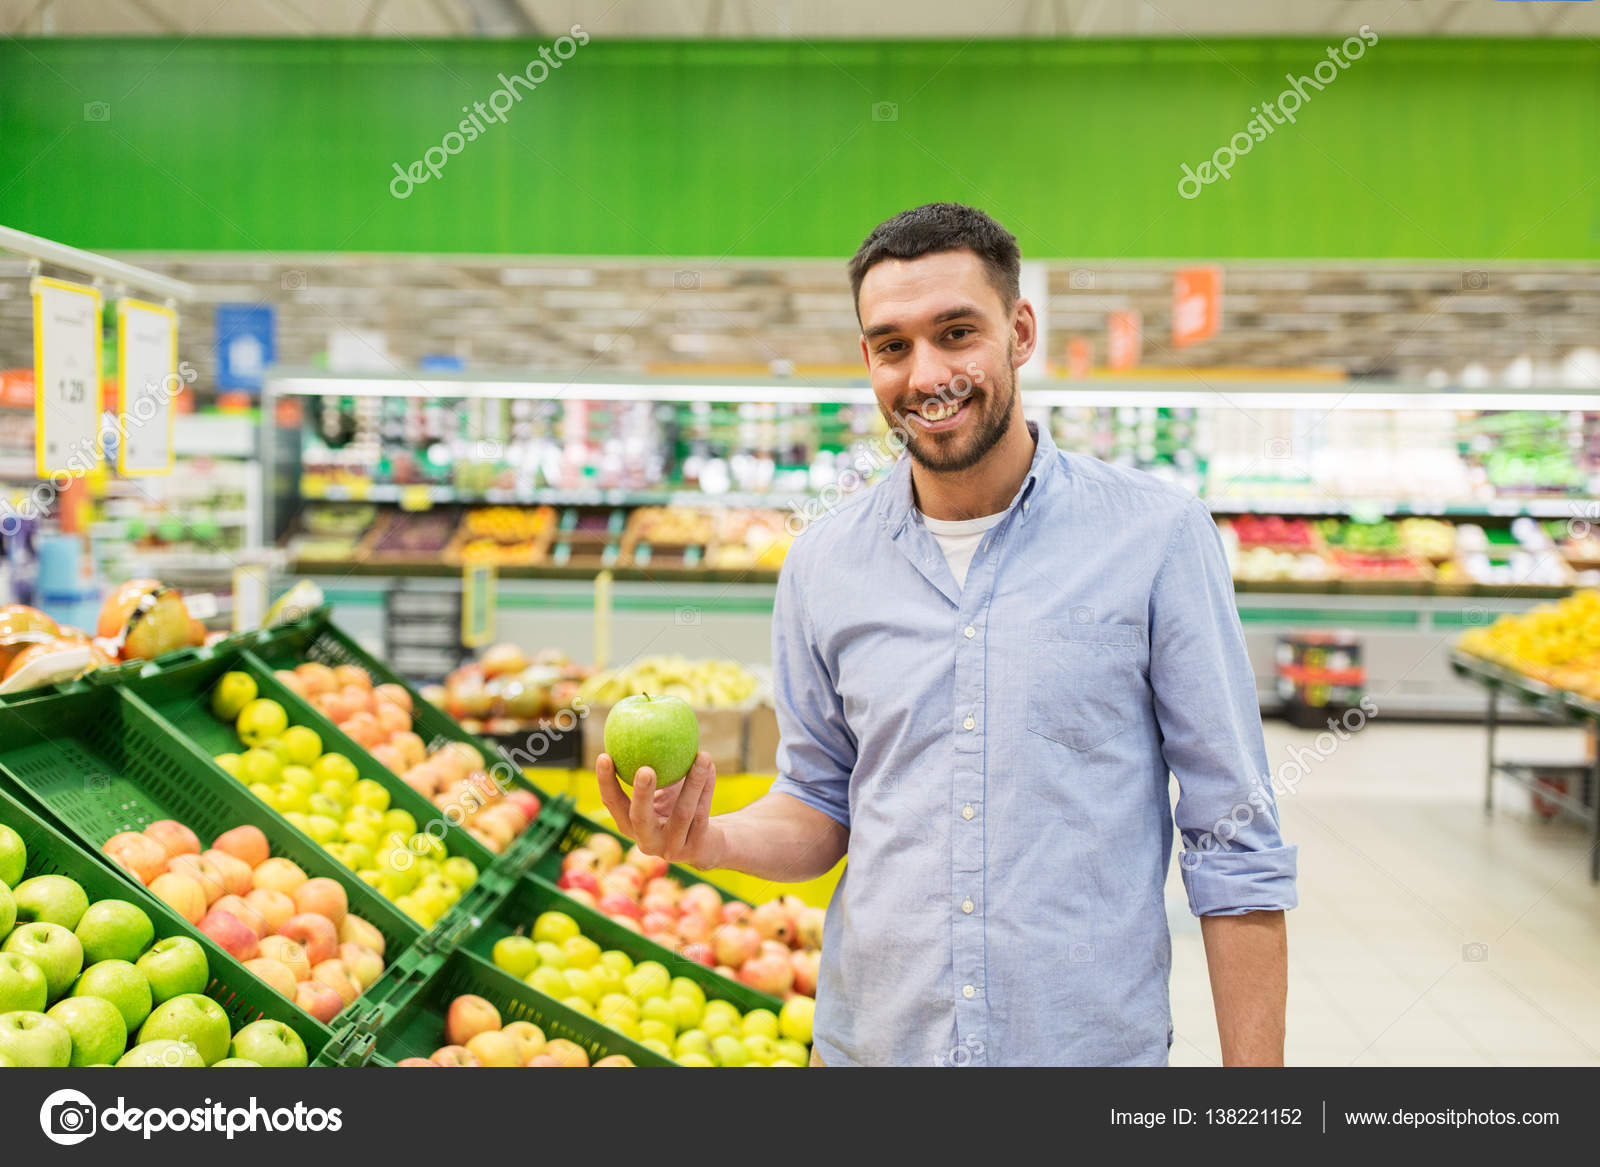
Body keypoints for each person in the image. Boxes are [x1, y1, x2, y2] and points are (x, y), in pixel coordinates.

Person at [597, 202, 1297, 1067]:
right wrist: (708, 839)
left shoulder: (1157, 538)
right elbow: (820, 801)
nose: (927, 373)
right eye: (893, 345)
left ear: (1020, 331)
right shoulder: (823, 563)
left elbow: (1233, 839)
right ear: (868, 359)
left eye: (956, 332)